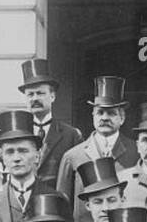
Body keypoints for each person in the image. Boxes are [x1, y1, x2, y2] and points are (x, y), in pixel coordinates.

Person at [55, 75, 135, 206]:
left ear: (122, 118)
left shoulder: (135, 152)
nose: (105, 118)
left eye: (111, 113)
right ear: (93, 116)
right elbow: (62, 206)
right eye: (100, 112)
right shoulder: (73, 156)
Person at [18, 58, 82, 190]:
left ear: (52, 96)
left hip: (56, 206)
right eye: (30, 94)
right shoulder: (18, 133)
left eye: (40, 93)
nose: (35, 98)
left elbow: (77, 180)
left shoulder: (71, 135)